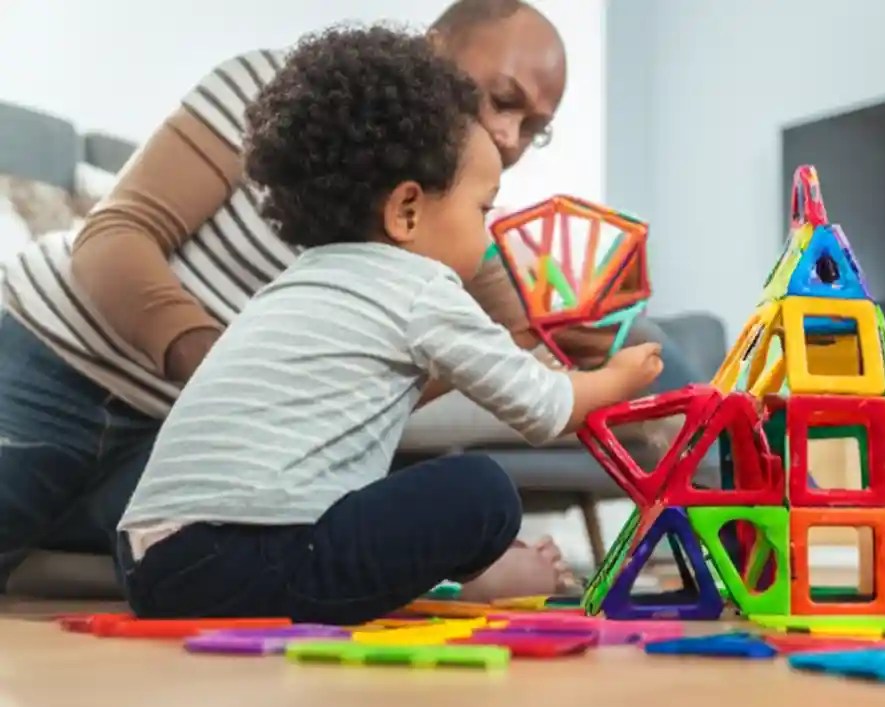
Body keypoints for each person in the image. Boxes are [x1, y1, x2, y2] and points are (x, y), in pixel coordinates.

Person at [0, 0, 637, 593]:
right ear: (436, 46)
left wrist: (581, 335)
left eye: (535, 129)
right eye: (502, 99)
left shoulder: (451, 236)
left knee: (218, 540)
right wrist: (224, 368)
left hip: (178, 438)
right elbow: (114, 236)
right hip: (55, 358)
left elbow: (517, 340)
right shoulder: (274, 103)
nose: (508, 135)